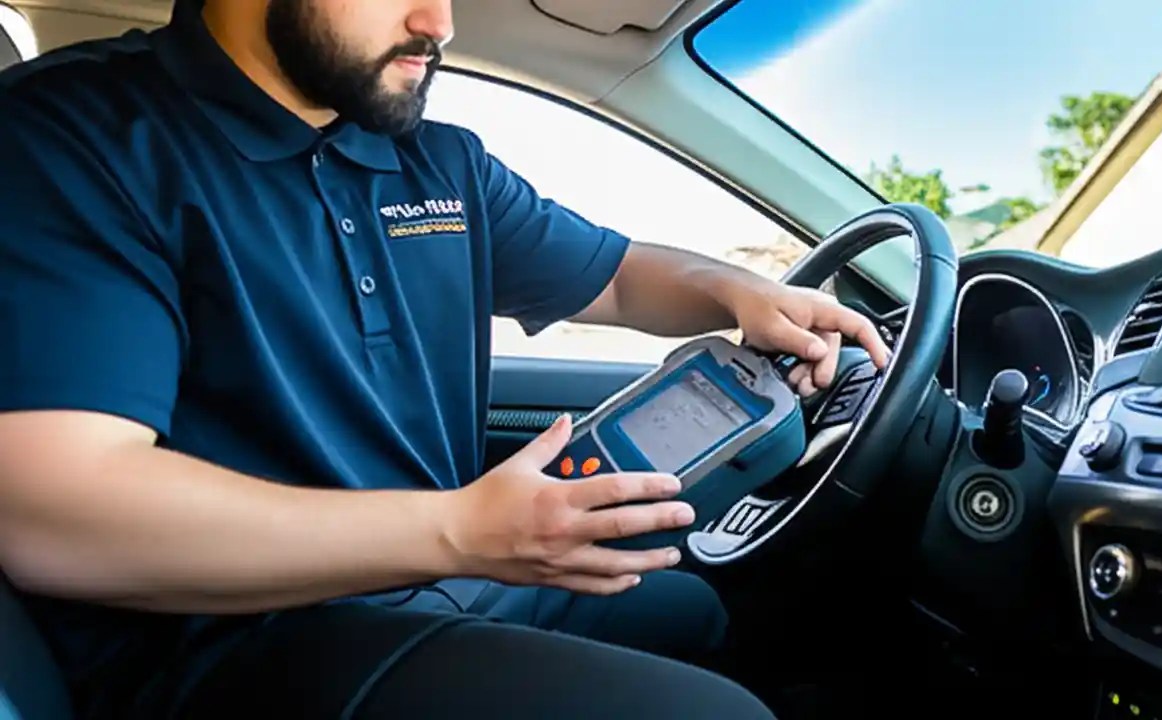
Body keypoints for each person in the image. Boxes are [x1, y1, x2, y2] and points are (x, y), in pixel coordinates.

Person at [0, 0, 890, 717]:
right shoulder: (70, 139)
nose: (442, 20)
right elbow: (56, 514)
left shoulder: (434, 162)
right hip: (223, 649)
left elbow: (615, 278)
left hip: (432, 575)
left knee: (705, 610)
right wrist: (464, 530)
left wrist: (743, 293)